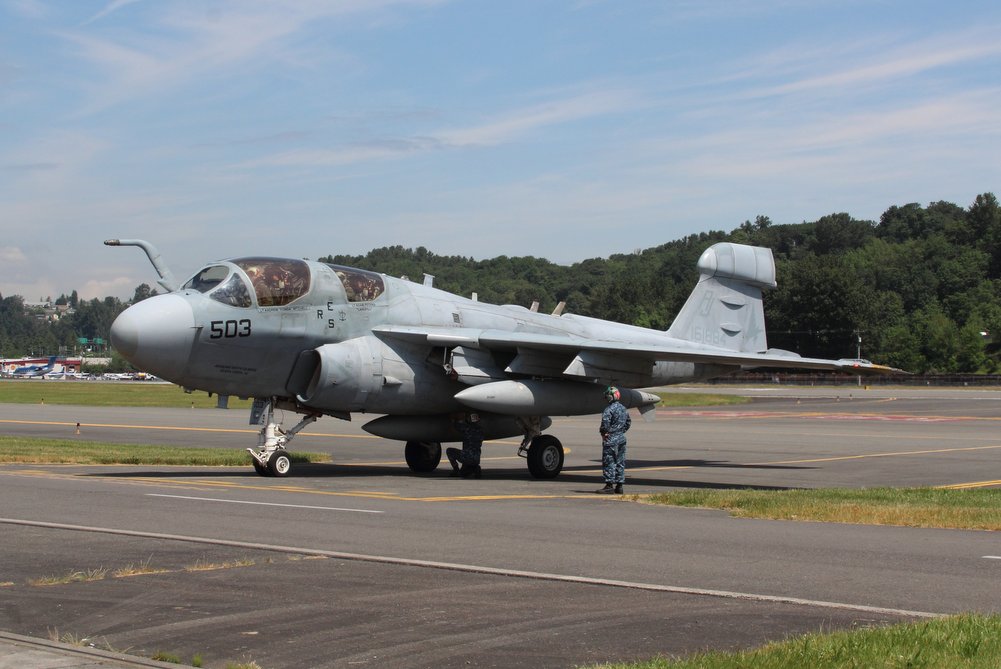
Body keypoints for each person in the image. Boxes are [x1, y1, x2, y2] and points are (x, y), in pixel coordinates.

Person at [596, 386, 630, 494]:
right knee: (620, 462)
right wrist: (620, 431)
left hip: (610, 439)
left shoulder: (609, 409)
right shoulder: (623, 408)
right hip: (621, 439)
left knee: (609, 461)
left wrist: (604, 433)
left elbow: (604, 425)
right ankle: (619, 486)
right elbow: (628, 423)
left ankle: (609, 485)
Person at [446, 412, 484, 478]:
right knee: (465, 471)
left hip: (466, 457)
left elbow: (454, 428)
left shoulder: (466, 428)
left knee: (449, 451)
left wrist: (453, 420)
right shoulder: (481, 430)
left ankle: (456, 470)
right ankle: (475, 468)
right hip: (476, 459)